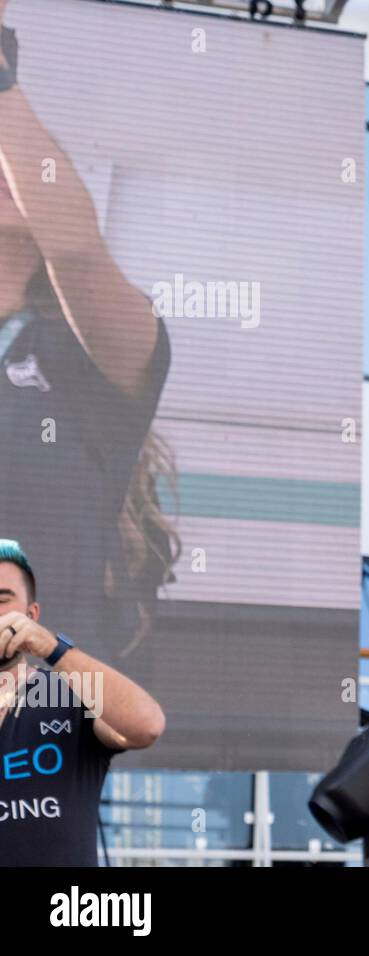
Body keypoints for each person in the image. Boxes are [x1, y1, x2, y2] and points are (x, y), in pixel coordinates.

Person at [0, 3, 177, 664]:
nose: (11, 169)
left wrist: (1, 80)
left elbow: (74, 250)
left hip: (35, 708)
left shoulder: (81, 352)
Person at [0, 539, 165, 866]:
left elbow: (147, 725)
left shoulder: (69, 693)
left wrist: (52, 647)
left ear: (31, 615)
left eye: (2, 600)